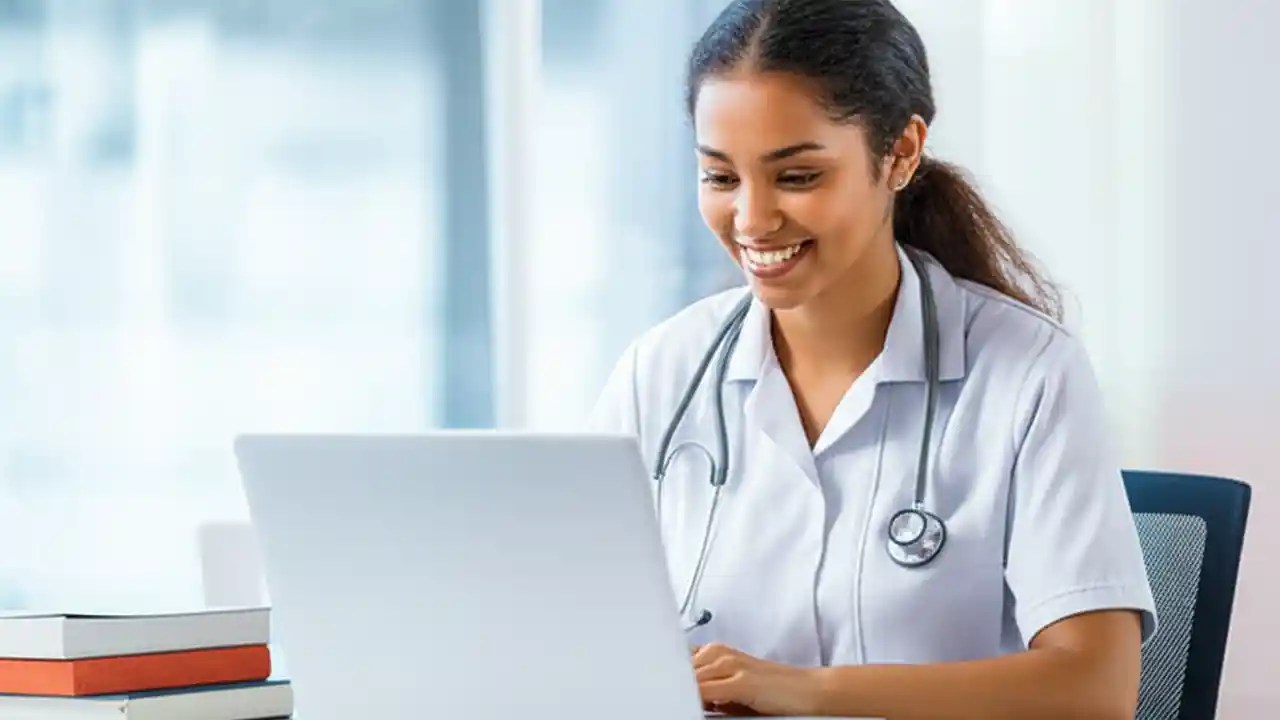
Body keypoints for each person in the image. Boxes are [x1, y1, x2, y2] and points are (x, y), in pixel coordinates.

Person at [588, 1, 1157, 718]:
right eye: (721, 177)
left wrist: (806, 692)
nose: (753, 220)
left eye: (796, 177)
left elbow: (1094, 691)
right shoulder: (661, 372)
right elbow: (574, 640)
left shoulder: (1029, 373)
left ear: (901, 153)